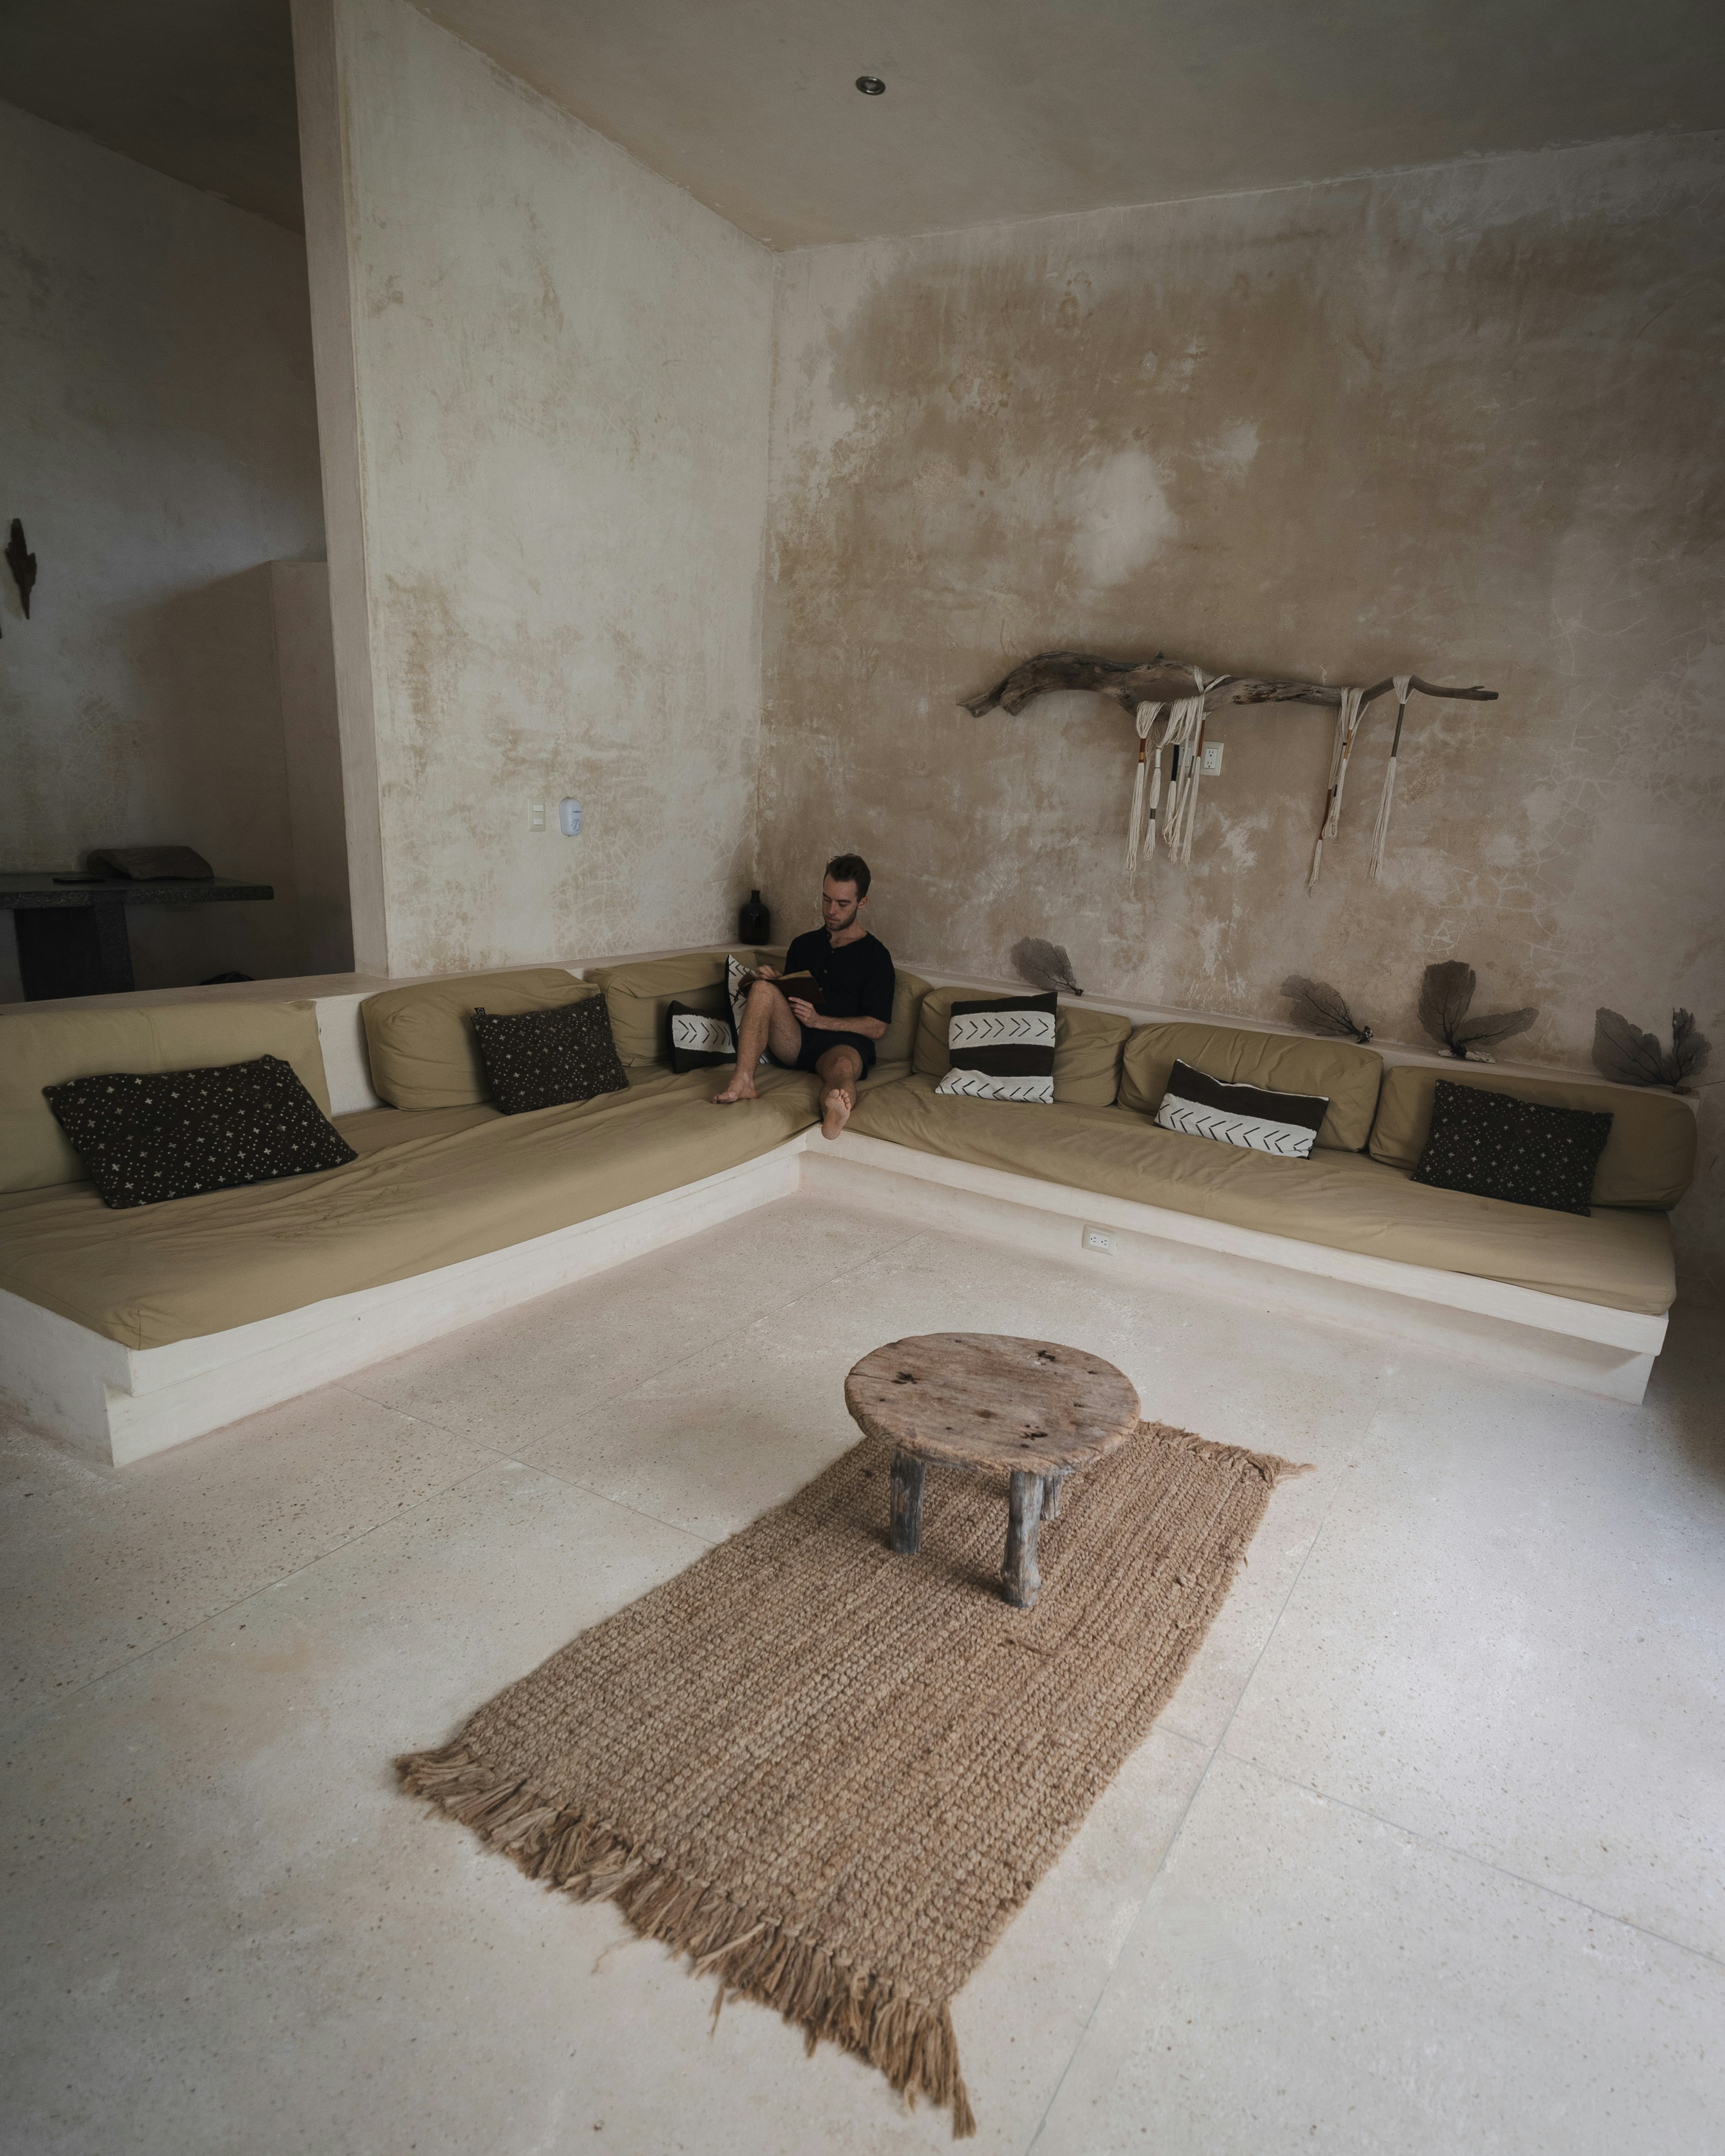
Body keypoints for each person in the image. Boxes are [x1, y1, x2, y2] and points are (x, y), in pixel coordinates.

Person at [712, 853, 895, 1139]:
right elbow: (791, 997)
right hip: (796, 1040)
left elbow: (877, 1027)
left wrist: (820, 1021)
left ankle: (834, 1114)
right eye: (826, 899)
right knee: (762, 989)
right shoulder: (803, 945)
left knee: (842, 1067)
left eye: (842, 904)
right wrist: (777, 984)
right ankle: (743, 1081)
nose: (831, 910)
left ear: (862, 903)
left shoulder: (877, 957)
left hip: (843, 1046)